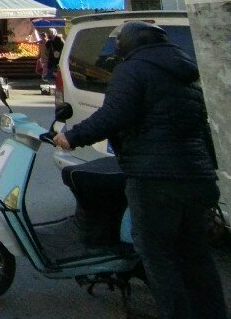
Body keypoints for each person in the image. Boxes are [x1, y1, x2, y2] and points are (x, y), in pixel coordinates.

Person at [54, 22, 227, 319]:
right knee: (196, 256)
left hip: (155, 180)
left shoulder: (133, 70)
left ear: (131, 44)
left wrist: (72, 136)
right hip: (197, 178)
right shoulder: (185, 75)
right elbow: (203, 131)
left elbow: (114, 115)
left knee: (159, 258)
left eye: (118, 42)